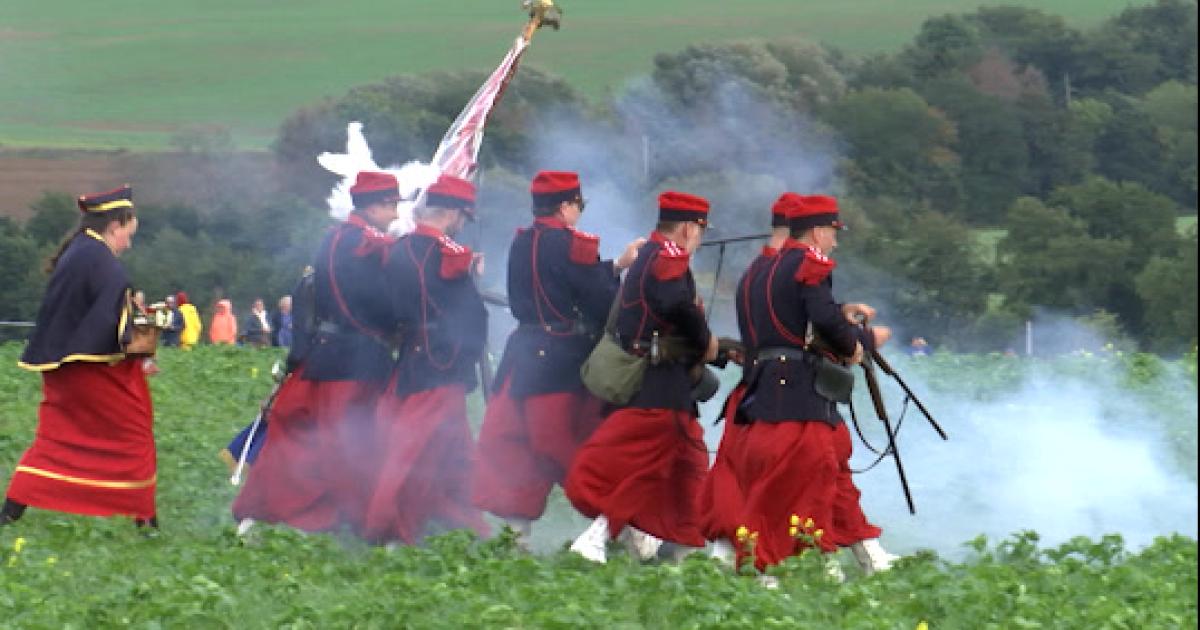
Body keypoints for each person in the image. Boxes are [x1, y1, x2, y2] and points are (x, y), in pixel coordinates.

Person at [726, 194, 896, 582]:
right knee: (799, 477)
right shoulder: (811, 264)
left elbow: (793, 322)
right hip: (798, 390)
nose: (835, 242)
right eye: (833, 233)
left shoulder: (762, 268)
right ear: (818, 232)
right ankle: (770, 565)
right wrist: (858, 343)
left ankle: (857, 553)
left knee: (824, 467)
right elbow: (822, 319)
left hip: (766, 384)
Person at [470, 171, 643, 547]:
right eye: (578, 205)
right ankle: (623, 526)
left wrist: (613, 266)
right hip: (561, 360)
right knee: (563, 446)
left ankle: (517, 538)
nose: (579, 212)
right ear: (566, 205)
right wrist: (617, 274)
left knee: (517, 446)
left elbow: (549, 288)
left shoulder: (521, 242)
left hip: (524, 353)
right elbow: (597, 299)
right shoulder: (576, 245)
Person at [232, 171, 403, 535]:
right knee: (352, 447)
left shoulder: (334, 238)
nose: (395, 215)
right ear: (375, 207)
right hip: (357, 360)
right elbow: (383, 304)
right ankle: (349, 524)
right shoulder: (368, 245)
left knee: (299, 442)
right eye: (391, 207)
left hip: (322, 355)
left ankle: (260, 517)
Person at [564, 191, 718, 563]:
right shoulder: (669, 258)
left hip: (667, 379)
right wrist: (706, 339)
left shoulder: (655, 253)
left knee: (691, 469)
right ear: (686, 228)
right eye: (698, 230)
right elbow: (675, 306)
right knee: (642, 469)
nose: (699, 237)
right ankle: (595, 538)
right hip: (661, 381)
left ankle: (678, 553)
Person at [2, 185, 159, 528]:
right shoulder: (102, 261)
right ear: (115, 225)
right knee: (134, 435)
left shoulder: (79, 250)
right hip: (92, 370)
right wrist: (142, 351)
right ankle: (144, 519)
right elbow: (112, 325)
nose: (128, 245)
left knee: (57, 438)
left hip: (62, 368)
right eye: (128, 235)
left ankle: (11, 511)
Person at [364, 173, 489, 545]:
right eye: (462, 217)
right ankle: (383, 528)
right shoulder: (449, 255)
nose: (463, 225)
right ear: (450, 214)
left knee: (453, 455)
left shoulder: (397, 249)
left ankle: (465, 527)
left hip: (413, 359)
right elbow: (468, 315)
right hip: (442, 365)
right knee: (410, 453)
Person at [698, 191, 801, 565]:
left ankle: (725, 552)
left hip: (755, 383)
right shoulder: (790, 271)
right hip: (781, 388)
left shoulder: (757, 270)